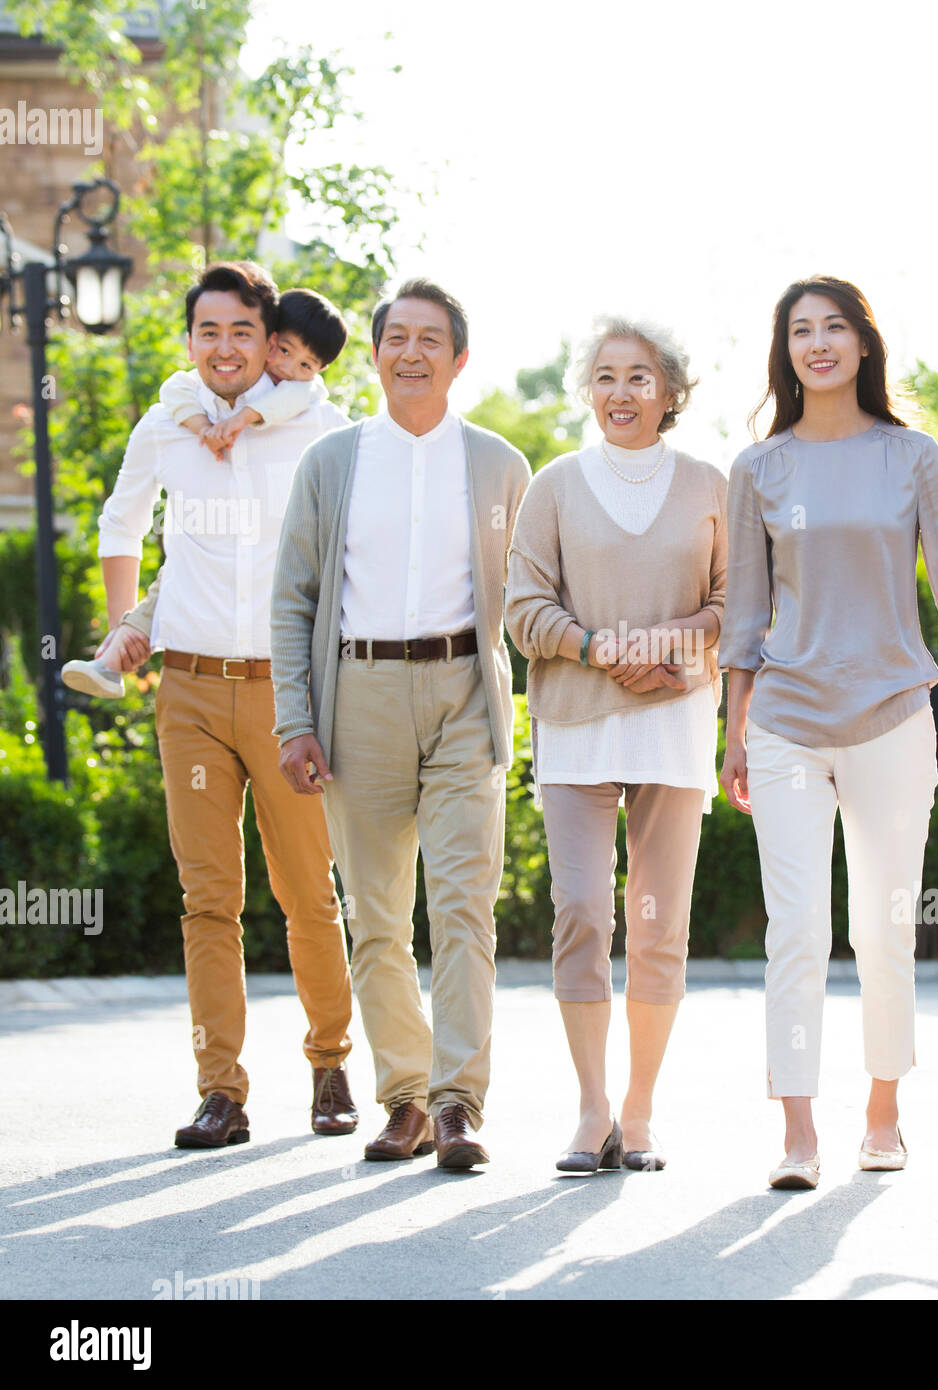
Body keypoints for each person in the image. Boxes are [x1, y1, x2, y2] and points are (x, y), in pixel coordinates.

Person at [718, 275, 938, 1191]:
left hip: (893, 715)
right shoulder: (758, 469)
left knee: (884, 927)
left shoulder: (911, 455)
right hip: (787, 722)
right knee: (797, 928)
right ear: (785, 352)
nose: (817, 343)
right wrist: (734, 729)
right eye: (800, 330)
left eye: (834, 326)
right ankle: (798, 1131)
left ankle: (883, 1113)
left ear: (864, 343)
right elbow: (746, 614)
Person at [96, 260, 359, 1147]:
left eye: (241, 330)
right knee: (207, 898)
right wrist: (124, 627)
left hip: (290, 695)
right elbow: (120, 523)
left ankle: (330, 1065)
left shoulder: (323, 430)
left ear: (268, 338)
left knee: (308, 893)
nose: (224, 347)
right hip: (192, 694)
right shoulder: (167, 425)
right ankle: (221, 1092)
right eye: (207, 330)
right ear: (190, 340)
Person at [272, 277, 531, 1168]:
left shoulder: (500, 466)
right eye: (397, 338)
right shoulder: (331, 463)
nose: (411, 353)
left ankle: (460, 1103)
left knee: (463, 906)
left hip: (465, 693)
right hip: (360, 695)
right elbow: (293, 599)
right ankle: (406, 1098)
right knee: (376, 915)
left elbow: (531, 595)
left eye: (430, 340)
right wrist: (295, 720)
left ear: (459, 359)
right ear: (376, 353)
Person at [506, 317, 725, 1173]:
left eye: (639, 377)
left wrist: (664, 645)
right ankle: (591, 1108)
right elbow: (523, 609)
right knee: (582, 916)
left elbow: (739, 605)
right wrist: (598, 648)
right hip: (575, 729)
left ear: (669, 392)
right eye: (605, 376)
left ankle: (639, 1113)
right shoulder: (555, 486)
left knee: (659, 925)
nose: (620, 392)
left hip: (674, 724)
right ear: (587, 391)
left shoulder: (709, 485)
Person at [66, 288, 348, 700]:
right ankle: (113, 655)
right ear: (269, 340)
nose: (288, 368)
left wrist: (243, 419)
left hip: (288, 672)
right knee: (174, 576)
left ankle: (116, 650)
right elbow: (175, 390)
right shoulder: (173, 415)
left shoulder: (316, 414)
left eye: (305, 364)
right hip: (192, 670)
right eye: (284, 351)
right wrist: (203, 427)